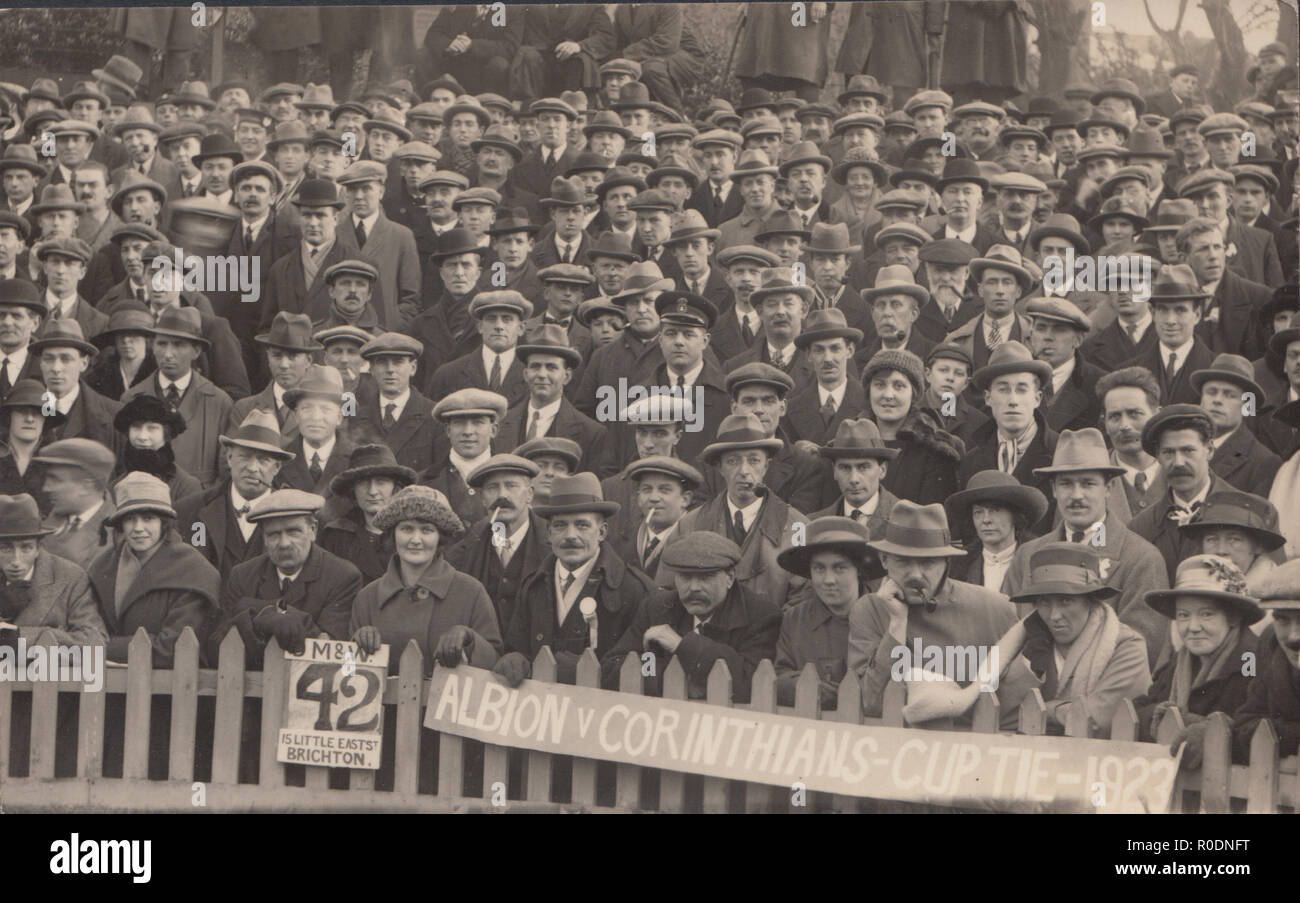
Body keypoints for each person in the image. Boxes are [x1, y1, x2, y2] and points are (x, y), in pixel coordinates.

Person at [847, 500, 1019, 719]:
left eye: (928, 563)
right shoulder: (870, 610)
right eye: (903, 562)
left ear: (947, 563)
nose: (916, 574)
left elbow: (1019, 705)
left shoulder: (994, 609)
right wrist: (897, 625)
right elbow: (871, 703)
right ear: (884, 560)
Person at [492, 472, 652, 687]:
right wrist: (515, 658)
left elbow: (647, 667)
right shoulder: (533, 585)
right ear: (548, 534)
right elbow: (516, 646)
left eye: (582, 525)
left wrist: (580, 671)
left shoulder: (633, 589)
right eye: (560, 526)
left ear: (602, 532)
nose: (570, 535)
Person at [608, 530, 781, 702]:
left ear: (729, 577)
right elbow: (613, 666)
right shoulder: (657, 607)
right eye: (685, 577)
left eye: (706, 577)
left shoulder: (761, 615)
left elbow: (753, 682)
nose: (694, 588)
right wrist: (673, 681)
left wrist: (682, 646)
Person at [996, 543, 1151, 736]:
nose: (1054, 616)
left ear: (1090, 600)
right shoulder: (1026, 643)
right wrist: (1030, 664)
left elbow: (1097, 719)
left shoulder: (1126, 646)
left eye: (1065, 601)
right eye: (1044, 602)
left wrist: (1048, 709)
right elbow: (999, 714)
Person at [664, 413, 808, 608]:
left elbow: (803, 601)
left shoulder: (797, 526)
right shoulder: (690, 525)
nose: (744, 471)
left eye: (754, 460)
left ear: (766, 465)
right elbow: (667, 592)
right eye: (733, 461)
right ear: (720, 468)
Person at [211, 488, 362, 668]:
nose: (284, 543)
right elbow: (220, 646)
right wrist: (266, 615)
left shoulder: (343, 576)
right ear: (264, 539)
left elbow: (326, 649)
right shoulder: (242, 575)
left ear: (313, 530)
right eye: (273, 534)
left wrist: (264, 613)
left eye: (293, 532)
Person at [1137, 554, 1261, 766]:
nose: (1193, 627)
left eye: (1206, 615)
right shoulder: (1179, 663)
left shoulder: (1251, 662)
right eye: (1184, 615)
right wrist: (1160, 718)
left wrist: (1206, 729)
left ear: (1233, 617)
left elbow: (1254, 728)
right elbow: (1139, 710)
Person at [86, 471, 219, 667]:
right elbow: (87, 630)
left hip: (171, 689)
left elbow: (173, 648)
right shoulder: (102, 567)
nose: (138, 528)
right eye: (130, 519)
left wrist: (103, 648)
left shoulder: (194, 571)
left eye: (148, 518)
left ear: (164, 523)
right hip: (106, 687)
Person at [176, 410, 294, 582]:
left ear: (276, 468)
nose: (252, 468)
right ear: (230, 458)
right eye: (244, 457)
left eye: (263, 460)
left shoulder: (292, 515)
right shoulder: (192, 511)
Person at [121, 307, 232, 488]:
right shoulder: (131, 398)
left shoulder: (218, 402)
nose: (168, 354)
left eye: (178, 345)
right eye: (162, 344)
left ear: (196, 351)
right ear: (153, 347)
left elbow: (226, 469)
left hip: (200, 504)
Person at [773, 517, 877, 709]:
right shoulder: (795, 619)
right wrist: (835, 695)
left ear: (859, 571)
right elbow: (779, 679)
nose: (828, 580)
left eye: (840, 568)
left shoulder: (885, 617)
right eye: (819, 569)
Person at [0, 492, 107, 649]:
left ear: (38, 548)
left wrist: (20, 636)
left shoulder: (70, 578)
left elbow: (95, 640)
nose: (16, 560)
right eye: (6, 549)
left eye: (26, 548)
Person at [861, 348, 964, 506]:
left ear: (914, 394)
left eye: (899, 386)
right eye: (880, 385)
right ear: (869, 392)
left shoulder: (934, 451)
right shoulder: (850, 441)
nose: (888, 395)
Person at [1232, 561, 1300, 763]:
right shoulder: (1270, 648)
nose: (1293, 636)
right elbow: (1245, 722)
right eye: (1282, 620)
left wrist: (1278, 729)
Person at [1191, 353, 1281, 498]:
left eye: (1229, 395)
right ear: (1201, 400)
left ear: (1246, 405)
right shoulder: (1184, 447)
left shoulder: (1264, 463)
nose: (1217, 400)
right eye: (1211, 392)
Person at [946, 470, 1048, 593]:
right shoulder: (957, 568)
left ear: (1015, 516)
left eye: (995, 510)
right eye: (978, 512)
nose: (986, 520)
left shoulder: (1039, 561)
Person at [353, 332, 437, 476]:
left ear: (413, 368)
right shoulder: (356, 417)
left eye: (398, 362)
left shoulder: (434, 415)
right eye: (382, 362)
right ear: (371, 369)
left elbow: (437, 472)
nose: (390, 369)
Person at [276, 365, 355, 499]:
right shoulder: (280, 460)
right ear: (296, 416)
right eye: (307, 408)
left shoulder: (357, 459)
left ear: (339, 418)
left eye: (326, 409)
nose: (316, 417)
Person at [111, 394, 201, 504]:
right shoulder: (115, 487)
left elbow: (196, 522)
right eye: (136, 427)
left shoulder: (186, 487)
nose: (142, 437)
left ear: (166, 434)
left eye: (152, 428)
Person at [0, 381, 60, 510]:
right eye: (22, 411)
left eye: (38, 412)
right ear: (9, 416)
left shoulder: (59, 463)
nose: (30, 419)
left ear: (46, 419)